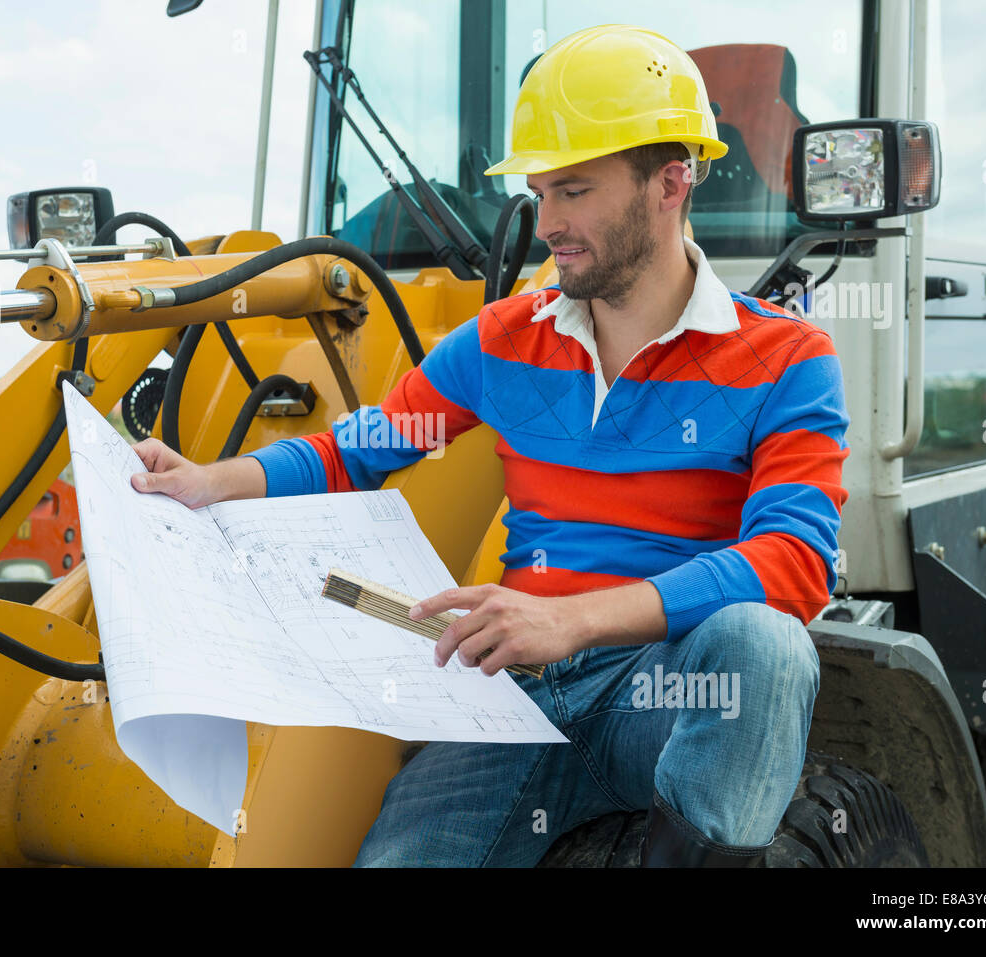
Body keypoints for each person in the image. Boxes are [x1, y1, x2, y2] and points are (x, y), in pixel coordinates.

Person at [128, 24, 849, 867]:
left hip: (665, 687)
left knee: (764, 646)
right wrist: (214, 480)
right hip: (517, 701)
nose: (548, 223)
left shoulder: (789, 358)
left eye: (573, 190)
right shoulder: (503, 341)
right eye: (540, 192)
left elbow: (794, 561)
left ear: (670, 183)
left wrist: (570, 620)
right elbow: (354, 452)